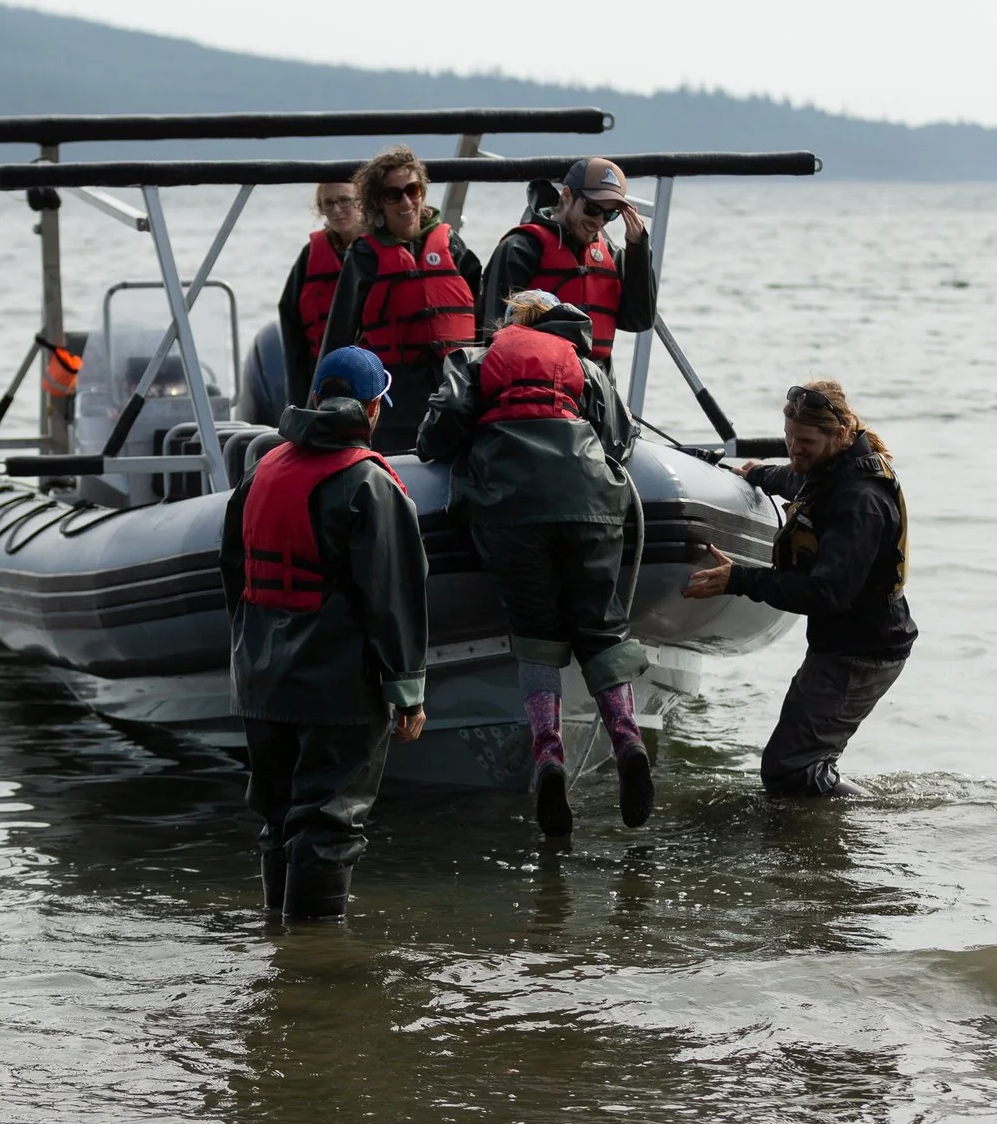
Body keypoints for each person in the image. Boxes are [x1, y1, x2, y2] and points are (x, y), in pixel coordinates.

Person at [417, 289, 649, 836]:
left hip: (509, 503)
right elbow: (617, 438)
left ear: (511, 321)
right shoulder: (584, 365)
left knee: (536, 632)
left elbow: (442, 429)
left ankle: (548, 754)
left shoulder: (474, 359)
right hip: (589, 499)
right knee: (602, 627)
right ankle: (627, 738)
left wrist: (439, 445)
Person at [220, 345, 430, 919]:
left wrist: (250, 651)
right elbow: (393, 596)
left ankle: (280, 954)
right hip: (338, 687)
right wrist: (406, 687)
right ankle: (316, 967)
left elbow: (233, 572)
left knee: (278, 816)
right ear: (373, 410)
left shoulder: (260, 471)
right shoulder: (370, 484)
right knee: (329, 821)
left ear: (313, 397)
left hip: (262, 679)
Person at [681, 379, 914, 798]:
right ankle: (820, 835)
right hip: (844, 644)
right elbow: (799, 481)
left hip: (862, 653)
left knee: (792, 769)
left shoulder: (860, 501)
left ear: (839, 435)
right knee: (792, 766)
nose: (794, 448)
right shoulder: (835, 470)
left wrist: (739, 579)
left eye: (804, 441)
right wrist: (758, 474)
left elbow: (825, 592)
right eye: (789, 438)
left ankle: (874, 819)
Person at [318, 146, 481, 454]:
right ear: (378, 202)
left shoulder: (453, 246)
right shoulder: (364, 257)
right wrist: (323, 414)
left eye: (413, 190)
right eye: (393, 195)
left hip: (458, 398)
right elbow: (338, 338)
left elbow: (485, 322)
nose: (406, 201)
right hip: (397, 410)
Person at [475, 156, 655, 368]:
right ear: (567, 195)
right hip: (535, 383)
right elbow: (492, 334)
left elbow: (639, 320)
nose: (598, 221)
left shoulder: (614, 256)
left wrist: (638, 249)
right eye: (592, 209)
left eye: (610, 214)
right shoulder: (520, 249)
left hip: (596, 389)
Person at [277, 179, 363, 411]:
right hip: (325, 377)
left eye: (345, 200)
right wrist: (298, 399)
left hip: (376, 374)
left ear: (362, 202)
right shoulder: (310, 256)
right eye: (328, 203)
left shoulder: (383, 249)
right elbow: (292, 326)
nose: (336, 210)